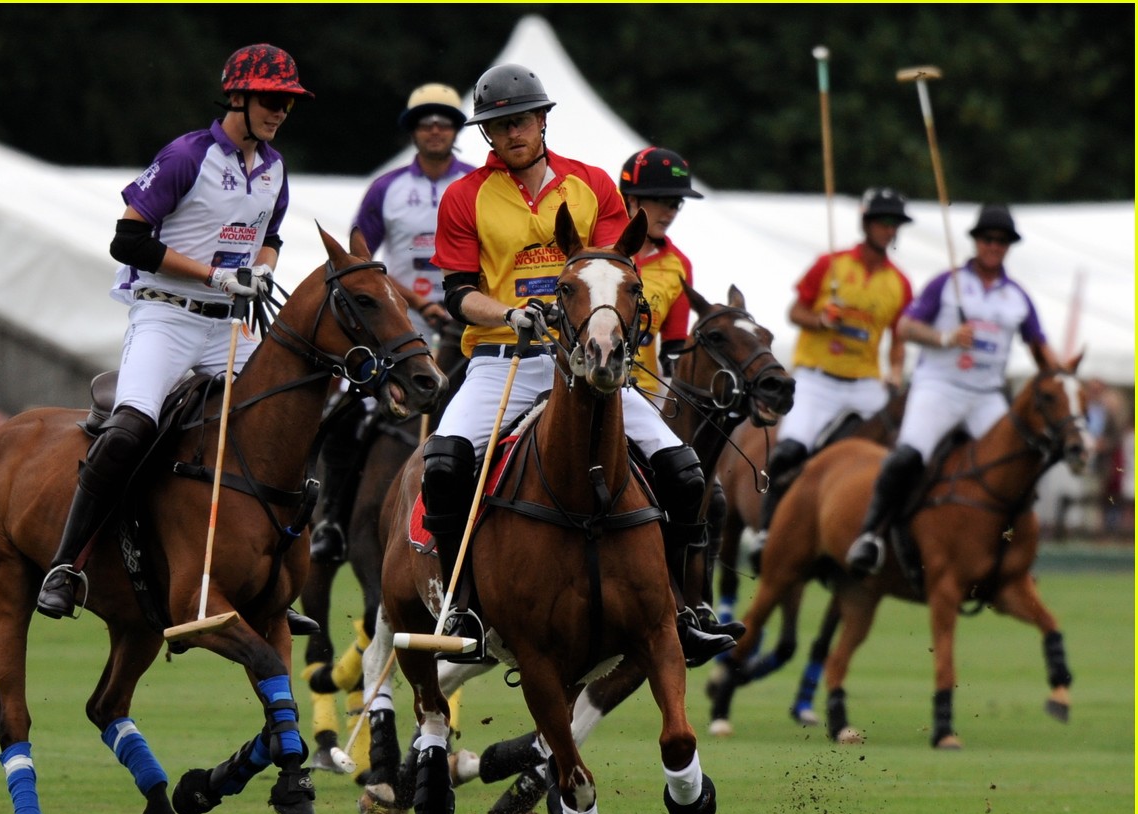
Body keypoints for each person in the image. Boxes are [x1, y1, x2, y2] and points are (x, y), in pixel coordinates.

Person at [426, 63, 738, 666]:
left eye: (520, 121)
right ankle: (459, 603)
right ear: (488, 135)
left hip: (583, 368)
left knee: (683, 469)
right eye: (497, 126)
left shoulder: (591, 183)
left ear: (543, 120)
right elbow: (457, 290)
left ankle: (687, 606)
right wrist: (510, 312)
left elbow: (617, 266)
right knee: (443, 462)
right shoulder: (464, 197)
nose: (512, 134)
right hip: (502, 360)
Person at [36, 43, 313, 618]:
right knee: (131, 428)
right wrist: (216, 274)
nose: (279, 111)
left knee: (280, 421)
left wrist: (260, 273)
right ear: (236, 95)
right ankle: (66, 564)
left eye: (287, 102)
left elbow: (273, 237)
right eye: (270, 99)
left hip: (229, 326)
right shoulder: (188, 155)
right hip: (166, 316)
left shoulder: (274, 169)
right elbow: (128, 240)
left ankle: (273, 581)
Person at [846, 203, 1063, 574]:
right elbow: (907, 328)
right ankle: (871, 535)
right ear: (976, 241)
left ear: (1009, 246)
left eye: (1002, 241)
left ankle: (1010, 552)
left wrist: (1064, 380)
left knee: (1020, 461)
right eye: (988, 239)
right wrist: (946, 337)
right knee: (908, 457)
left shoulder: (1017, 298)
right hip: (939, 388)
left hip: (986, 396)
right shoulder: (947, 284)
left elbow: (1040, 347)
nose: (995, 246)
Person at [311, 83, 476, 564]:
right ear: (413, 130)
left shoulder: (477, 184)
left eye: (444, 120)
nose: (435, 129)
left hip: (465, 329)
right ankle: (331, 523)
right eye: (425, 121)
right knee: (347, 417)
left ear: (455, 129)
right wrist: (415, 304)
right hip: (394, 330)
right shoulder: (387, 189)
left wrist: (461, 303)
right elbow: (358, 259)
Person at [748, 188, 914, 571]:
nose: (889, 230)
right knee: (790, 449)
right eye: (883, 222)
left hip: (865, 384)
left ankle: (874, 535)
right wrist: (821, 319)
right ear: (867, 224)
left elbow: (898, 339)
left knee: (900, 453)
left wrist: (894, 370)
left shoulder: (900, 283)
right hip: (818, 380)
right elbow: (795, 311)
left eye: (894, 225)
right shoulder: (831, 265)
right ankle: (767, 532)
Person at [616, 146, 702, 399]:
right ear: (632, 200)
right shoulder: (595, 248)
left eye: (677, 203)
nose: (671, 212)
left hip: (639, 393)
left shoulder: (680, 265)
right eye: (664, 201)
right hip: (582, 385)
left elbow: (674, 346)